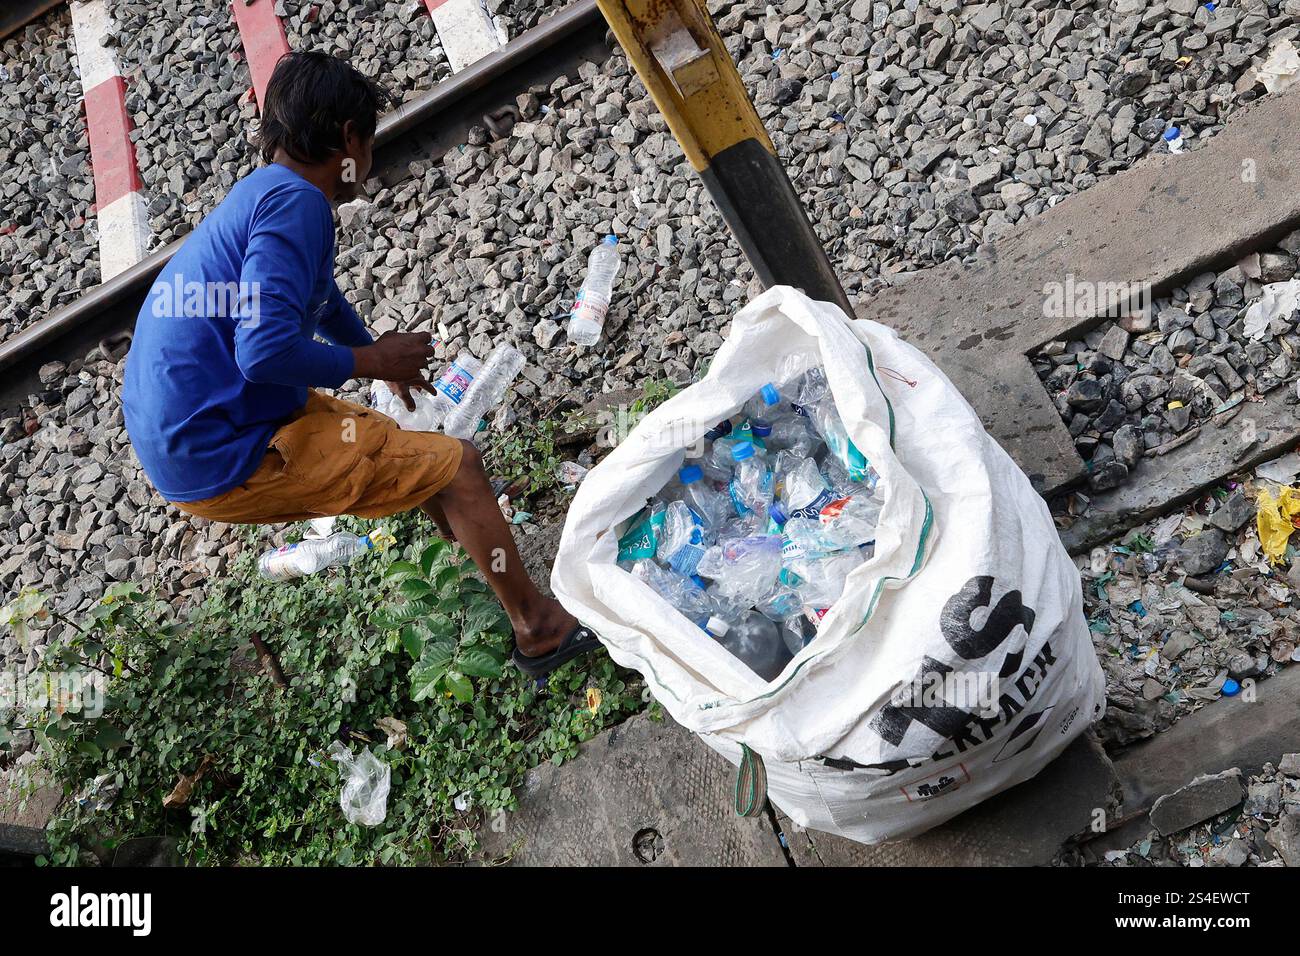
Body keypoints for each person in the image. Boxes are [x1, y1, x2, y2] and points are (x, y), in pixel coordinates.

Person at [121, 52, 597, 677]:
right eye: (368, 140)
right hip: (223, 450)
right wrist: (371, 358)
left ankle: (462, 527)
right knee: (461, 468)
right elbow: (262, 353)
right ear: (350, 139)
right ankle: (538, 631)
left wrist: (376, 359)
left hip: (191, 422)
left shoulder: (268, 191)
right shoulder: (301, 206)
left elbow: (314, 298)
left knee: (403, 443)